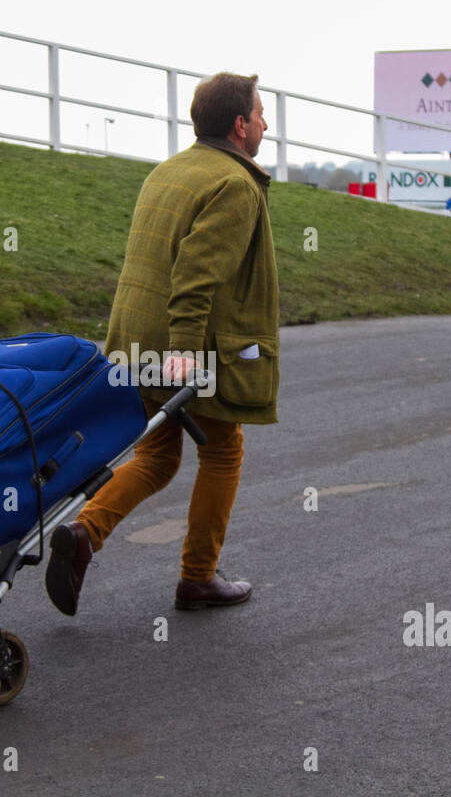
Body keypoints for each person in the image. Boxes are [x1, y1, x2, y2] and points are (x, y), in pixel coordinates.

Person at [43, 71, 279, 614]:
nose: (266, 123)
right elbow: (196, 276)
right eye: (261, 113)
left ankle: (84, 533)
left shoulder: (167, 172)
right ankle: (198, 577)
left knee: (156, 455)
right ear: (241, 126)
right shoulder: (235, 184)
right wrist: (184, 353)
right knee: (223, 450)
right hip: (182, 346)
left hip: (133, 341)